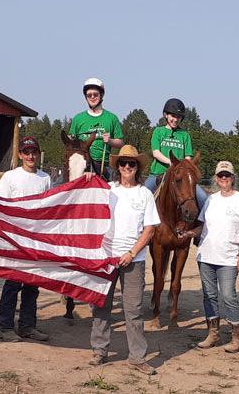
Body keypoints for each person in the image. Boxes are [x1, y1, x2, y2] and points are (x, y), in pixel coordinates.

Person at [88, 145, 160, 375]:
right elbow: (85, 204)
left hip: (133, 260)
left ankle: (137, 357)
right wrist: (88, 179)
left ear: (137, 167)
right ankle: (100, 350)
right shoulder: (107, 190)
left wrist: (131, 253)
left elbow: (149, 229)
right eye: (123, 163)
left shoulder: (145, 194)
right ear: (117, 166)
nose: (127, 167)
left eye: (131, 163)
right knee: (101, 306)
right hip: (106, 258)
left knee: (133, 310)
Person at [192, 161, 239, 353]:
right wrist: (188, 234)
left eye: (227, 175)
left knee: (228, 295)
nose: (224, 178)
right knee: (209, 295)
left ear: (233, 178)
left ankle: (237, 334)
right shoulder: (211, 200)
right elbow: (201, 225)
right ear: (216, 178)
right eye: (220, 176)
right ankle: (213, 333)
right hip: (206, 256)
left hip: (228, 258)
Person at [0, 136, 52, 342]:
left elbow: (48, 208)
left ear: (38, 154)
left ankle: (28, 325)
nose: (30, 156)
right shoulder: (10, 177)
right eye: (26, 152)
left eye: (34, 152)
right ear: (20, 155)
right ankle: (6, 326)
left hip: (35, 239)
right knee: (12, 283)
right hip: (16, 238)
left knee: (32, 285)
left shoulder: (45, 178)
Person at [144, 98, 208, 208]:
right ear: (166, 115)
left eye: (178, 117)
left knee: (203, 198)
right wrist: (171, 162)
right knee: (142, 195)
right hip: (158, 173)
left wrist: (181, 167)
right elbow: (156, 153)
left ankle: (203, 224)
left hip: (180, 175)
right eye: (173, 116)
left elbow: (188, 157)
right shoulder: (158, 131)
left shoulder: (184, 135)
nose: (175, 119)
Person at [68, 77, 124, 178]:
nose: (92, 97)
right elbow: (71, 140)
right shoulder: (78, 118)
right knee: (58, 185)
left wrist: (110, 141)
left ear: (101, 95)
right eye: (89, 95)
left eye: (95, 94)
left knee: (116, 189)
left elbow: (120, 142)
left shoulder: (112, 118)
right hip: (82, 164)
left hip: (103, 165)